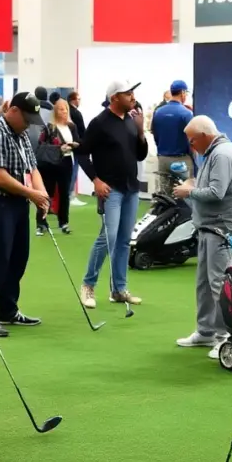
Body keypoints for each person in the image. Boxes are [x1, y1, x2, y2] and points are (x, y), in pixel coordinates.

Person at [0, 92, 48, 337]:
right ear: (13, 110)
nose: (29, 123)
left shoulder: (22, 134)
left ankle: (8, 309)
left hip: (18, 204)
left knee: (18, 258)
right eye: (26, 117)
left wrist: (42, 194)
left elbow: (32, 168)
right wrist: (32, 194)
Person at [172, 116, 232, 359]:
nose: (192, 146)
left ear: (204, 136)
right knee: (204, 283)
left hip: (220, 229)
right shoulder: (215, 152)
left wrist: (189, 190)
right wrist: (193, 185)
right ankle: (206, 332)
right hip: (209, 228)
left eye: (193, 140)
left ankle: (226, 337)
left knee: (218, 285)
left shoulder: (221, 154)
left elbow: (216, 192)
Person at [76, 81, 147, 308]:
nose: (133, 97)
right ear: (115, 97)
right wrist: (96, 180)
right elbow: (82, 154)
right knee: (108, 237)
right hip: (111, 190)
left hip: (131, 188)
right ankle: (88, 285)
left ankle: (119, 289)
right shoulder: (99, 123)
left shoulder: (130, 121)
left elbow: (140, 154)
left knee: (125, 240)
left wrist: (141, 130)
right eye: (128, 94)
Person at [37, 99, 79, 235]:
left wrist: (75, 145)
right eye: (61, 109)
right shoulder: (49, 127)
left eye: (66, 109)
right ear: (55, 111)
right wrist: (59, 148)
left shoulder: (72, 127)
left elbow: (78, 141)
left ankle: (64, 222)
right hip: (50, 164)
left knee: (64, 193)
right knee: (46, 193)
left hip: (66, 162)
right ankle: (41, 223)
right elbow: (41, 146)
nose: (64, 111)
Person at [151, 80, 195, 194]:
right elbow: (193, 139)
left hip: (163, 159)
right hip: (181, 160)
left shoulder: (158, 112)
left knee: (165, 197)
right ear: (183, 93)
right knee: (188, 193)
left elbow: (155, 135)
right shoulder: (186, 113)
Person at [66, 91, 87, 206]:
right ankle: (70, 194)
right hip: (76, 145)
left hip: (68, 145)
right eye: (78, 99)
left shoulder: (69, 113)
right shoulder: (76, 113)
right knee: (73, 170)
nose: (79, 101)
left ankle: (69, 194)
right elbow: (82, 131)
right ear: (73, 100)